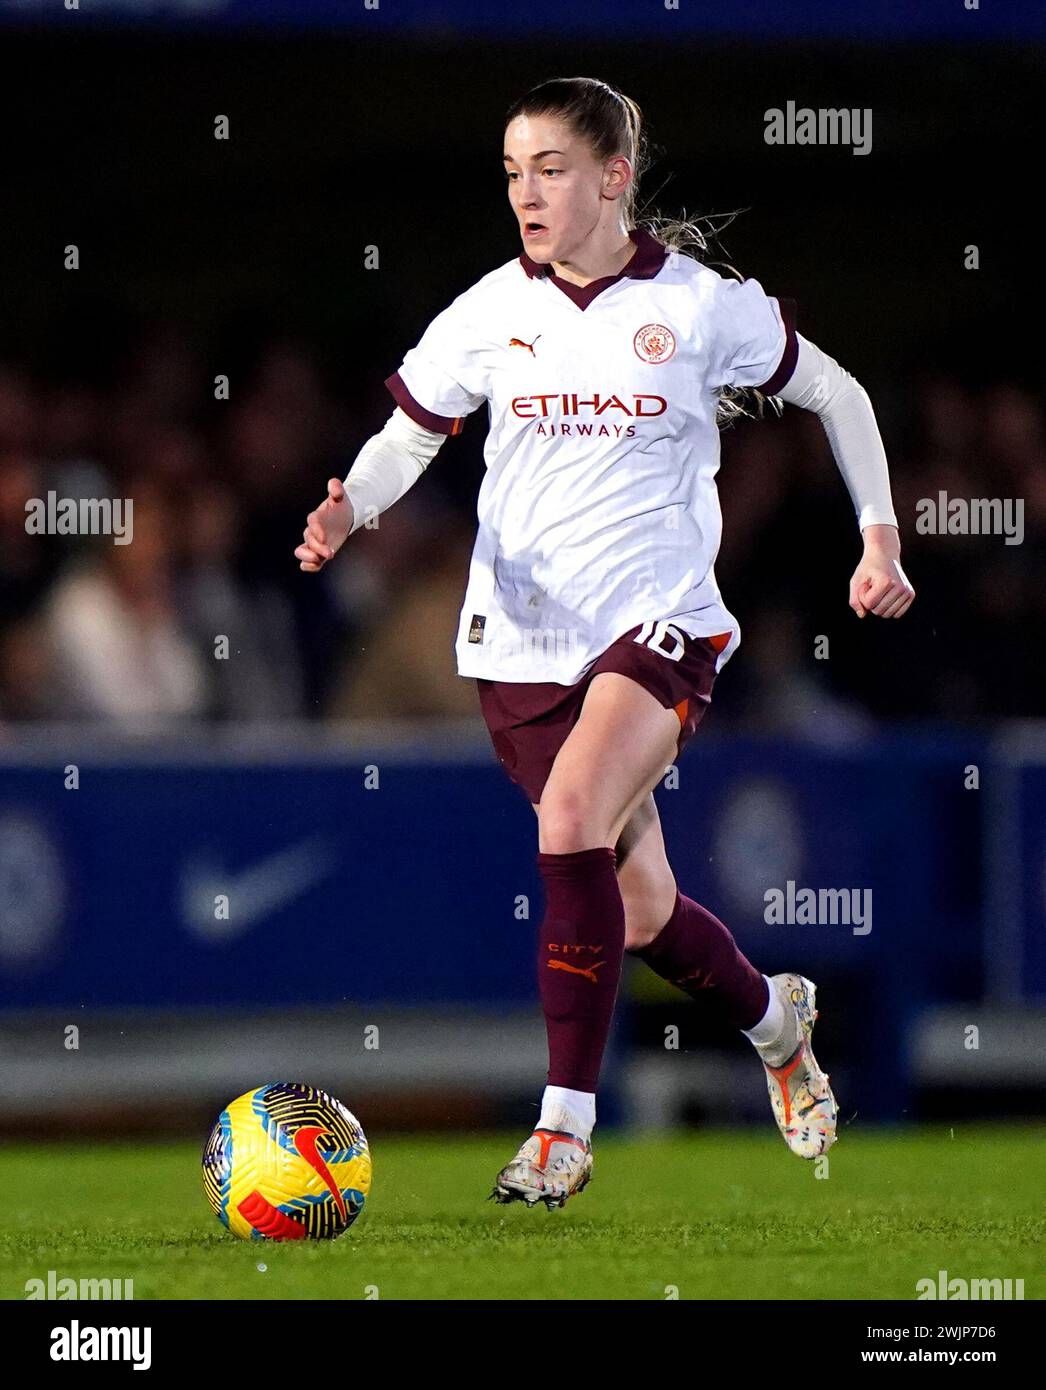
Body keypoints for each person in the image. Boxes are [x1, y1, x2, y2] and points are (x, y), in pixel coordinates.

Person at [295, 76, 915, 1210]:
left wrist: (877, 541)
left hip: (659, 620)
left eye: (549, 168)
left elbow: (840, 394)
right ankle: (779, 1024)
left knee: (571, 819)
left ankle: (560, 1131)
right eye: (511, 171)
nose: (525, 192)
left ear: (612, 176)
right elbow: (406, 437)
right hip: (520, 639)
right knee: (632, 910)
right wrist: (351, 508)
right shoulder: (488, 309)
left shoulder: (694, 307)